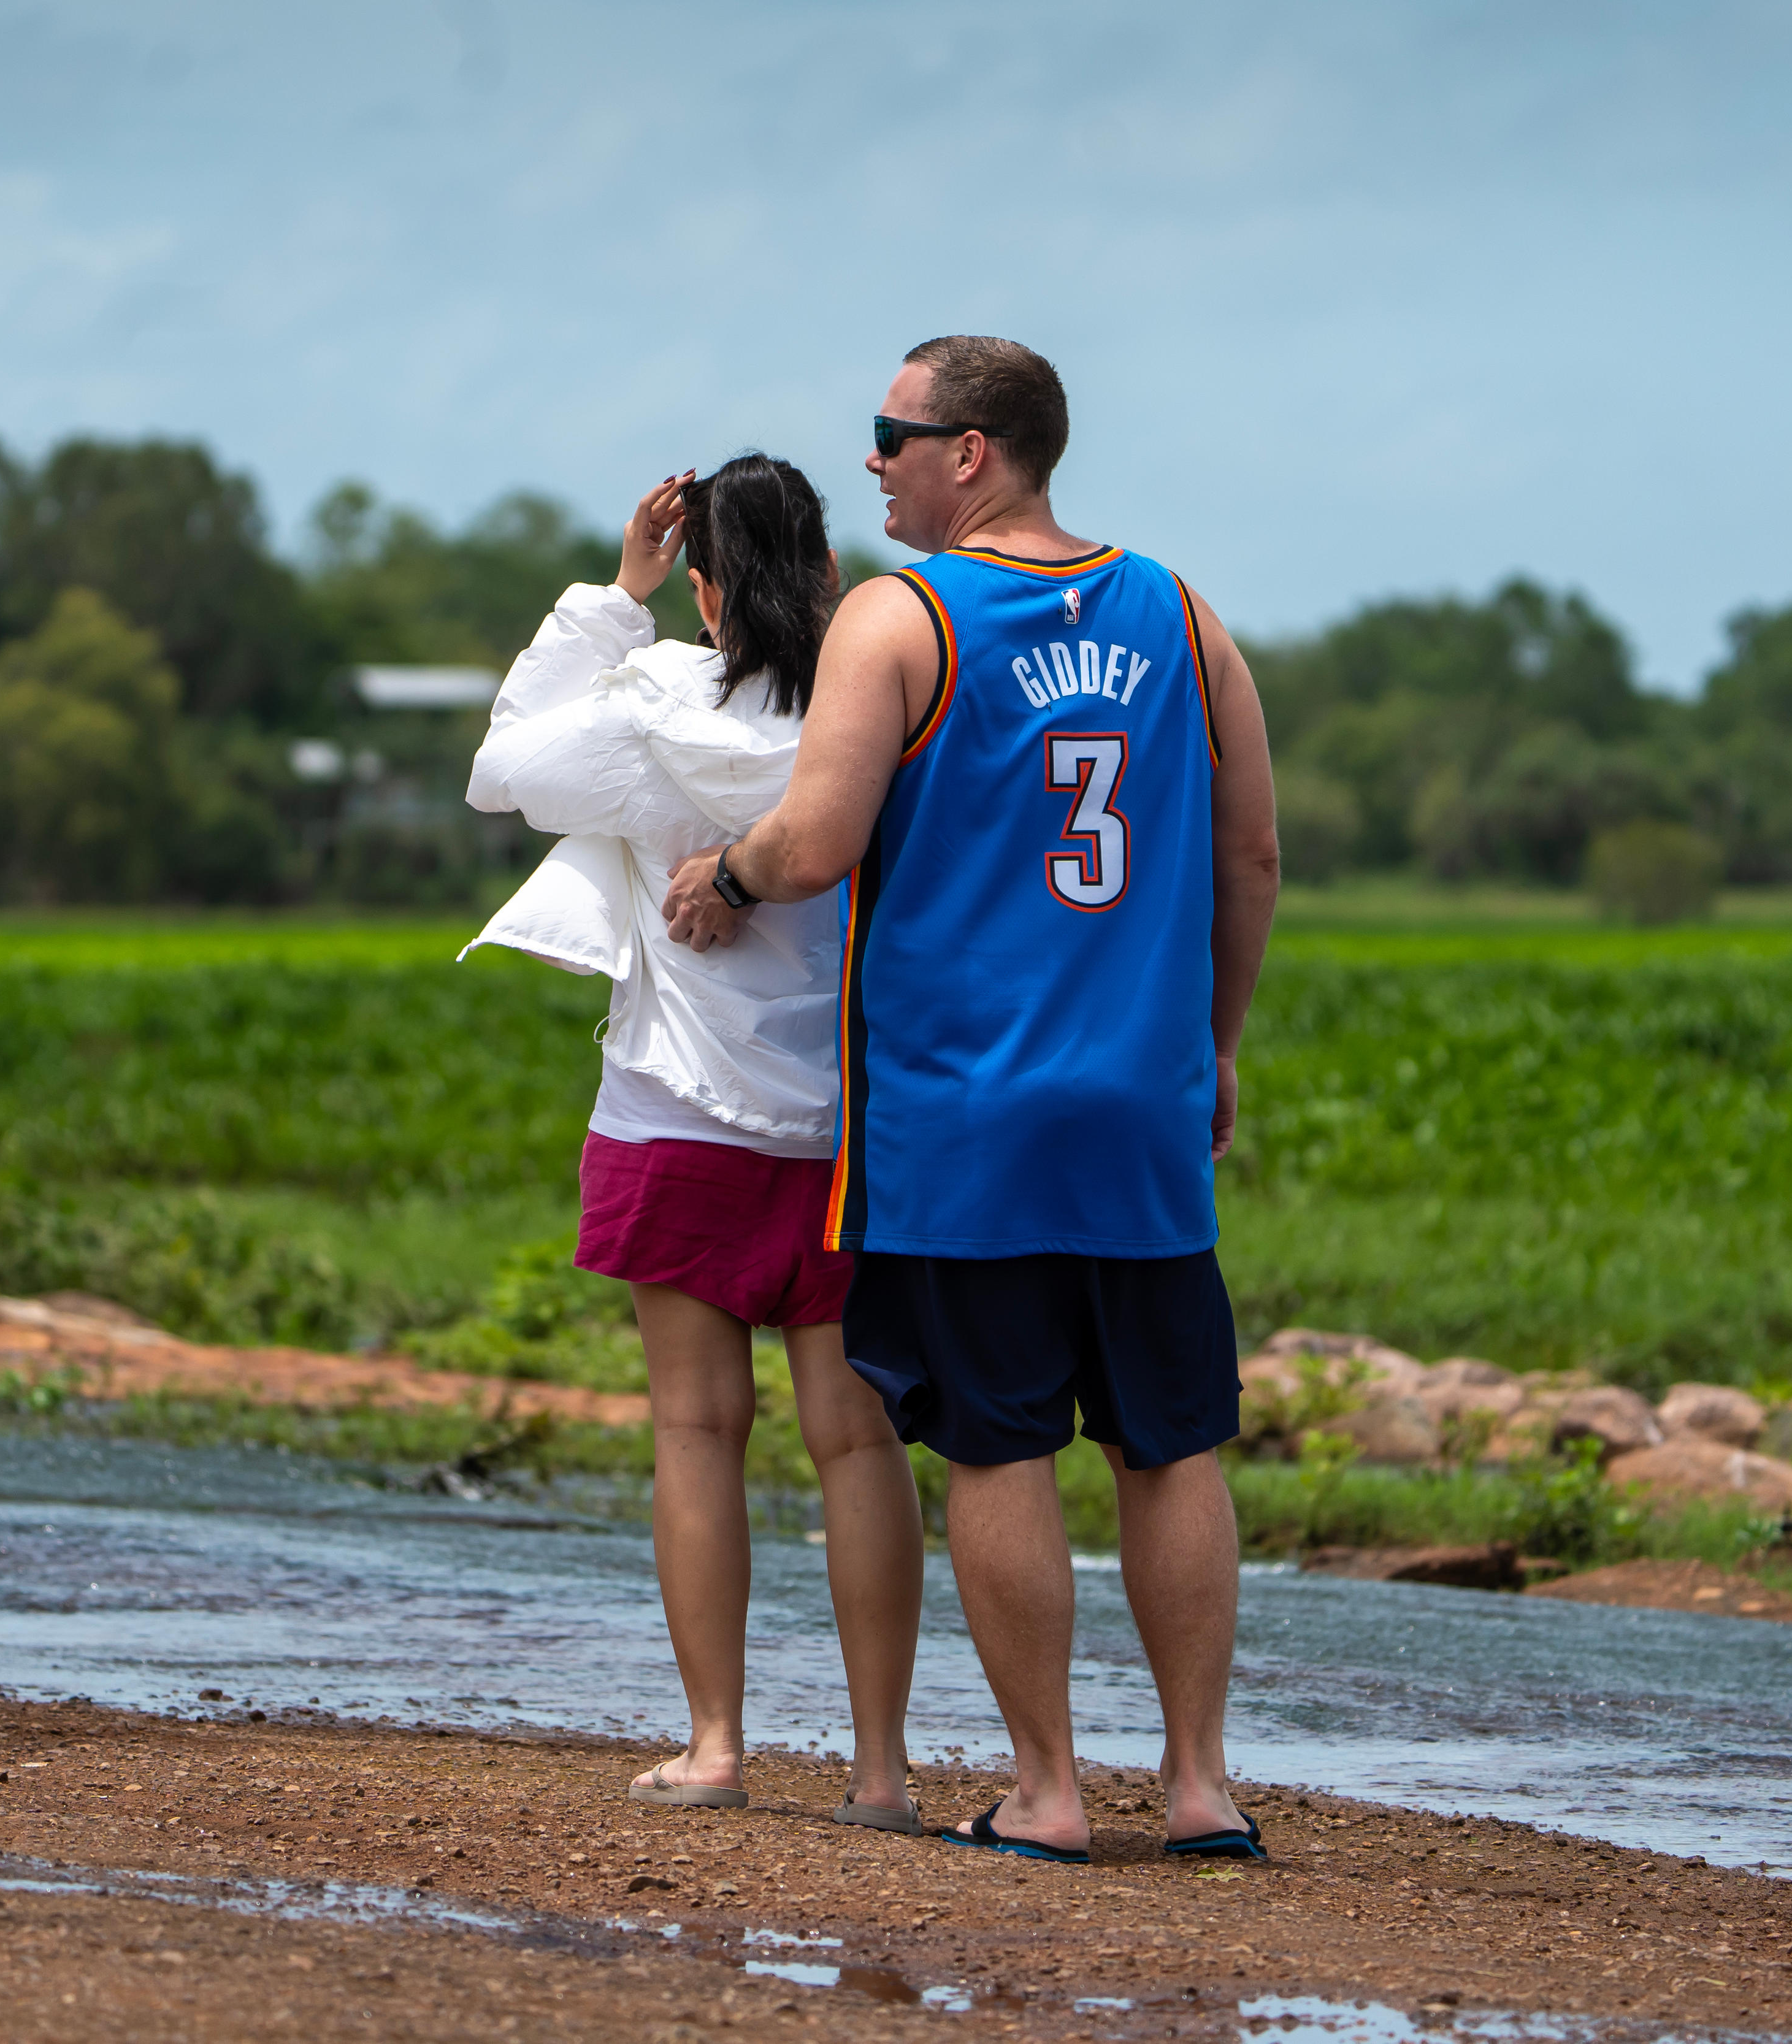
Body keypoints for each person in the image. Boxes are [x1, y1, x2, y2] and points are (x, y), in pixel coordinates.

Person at [661, 338, 1282, 1865]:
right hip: (1138, 1103)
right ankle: (1200, 1784)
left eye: (893, 432)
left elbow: (816, 837)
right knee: (1167, 1439)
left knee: (1000, 1444)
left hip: (965, 1113)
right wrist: (1211, 1045)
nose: (870, 459)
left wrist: (723, 872)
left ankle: (1049, 1788)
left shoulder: (904, 614)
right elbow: (1252, 856)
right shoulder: (1184, 613)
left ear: (973, 452)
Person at [464, 455, 927, 1832]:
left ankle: (716, 1745)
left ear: (707, 590)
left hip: (674, 1115)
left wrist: (620, 598)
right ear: (828, 571)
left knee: (695, 1428)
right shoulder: (886, 713)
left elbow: (501, 768)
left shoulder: (648, 706)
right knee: (860, 1445)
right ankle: (881, 1773)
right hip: (852, 1127)